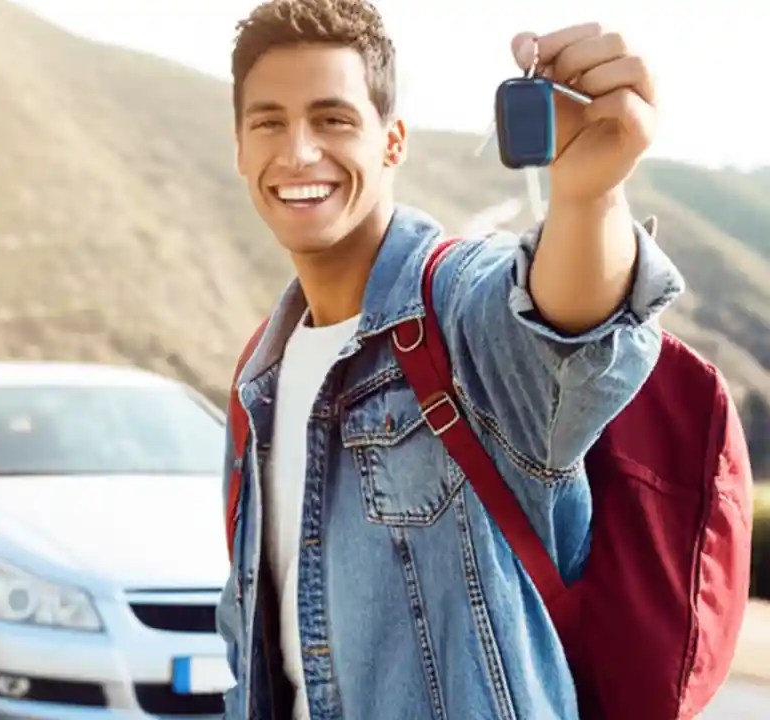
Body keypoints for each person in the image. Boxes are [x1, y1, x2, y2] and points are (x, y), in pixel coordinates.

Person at [214, 1, 685, 719]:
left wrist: (589, 197)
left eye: (333, 119)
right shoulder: (260, 379)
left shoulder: (458, 311)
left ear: (392, 142)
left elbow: (565, 326)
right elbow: (251, 646)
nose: (299, 152)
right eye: (269, 123)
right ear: (241, 150)